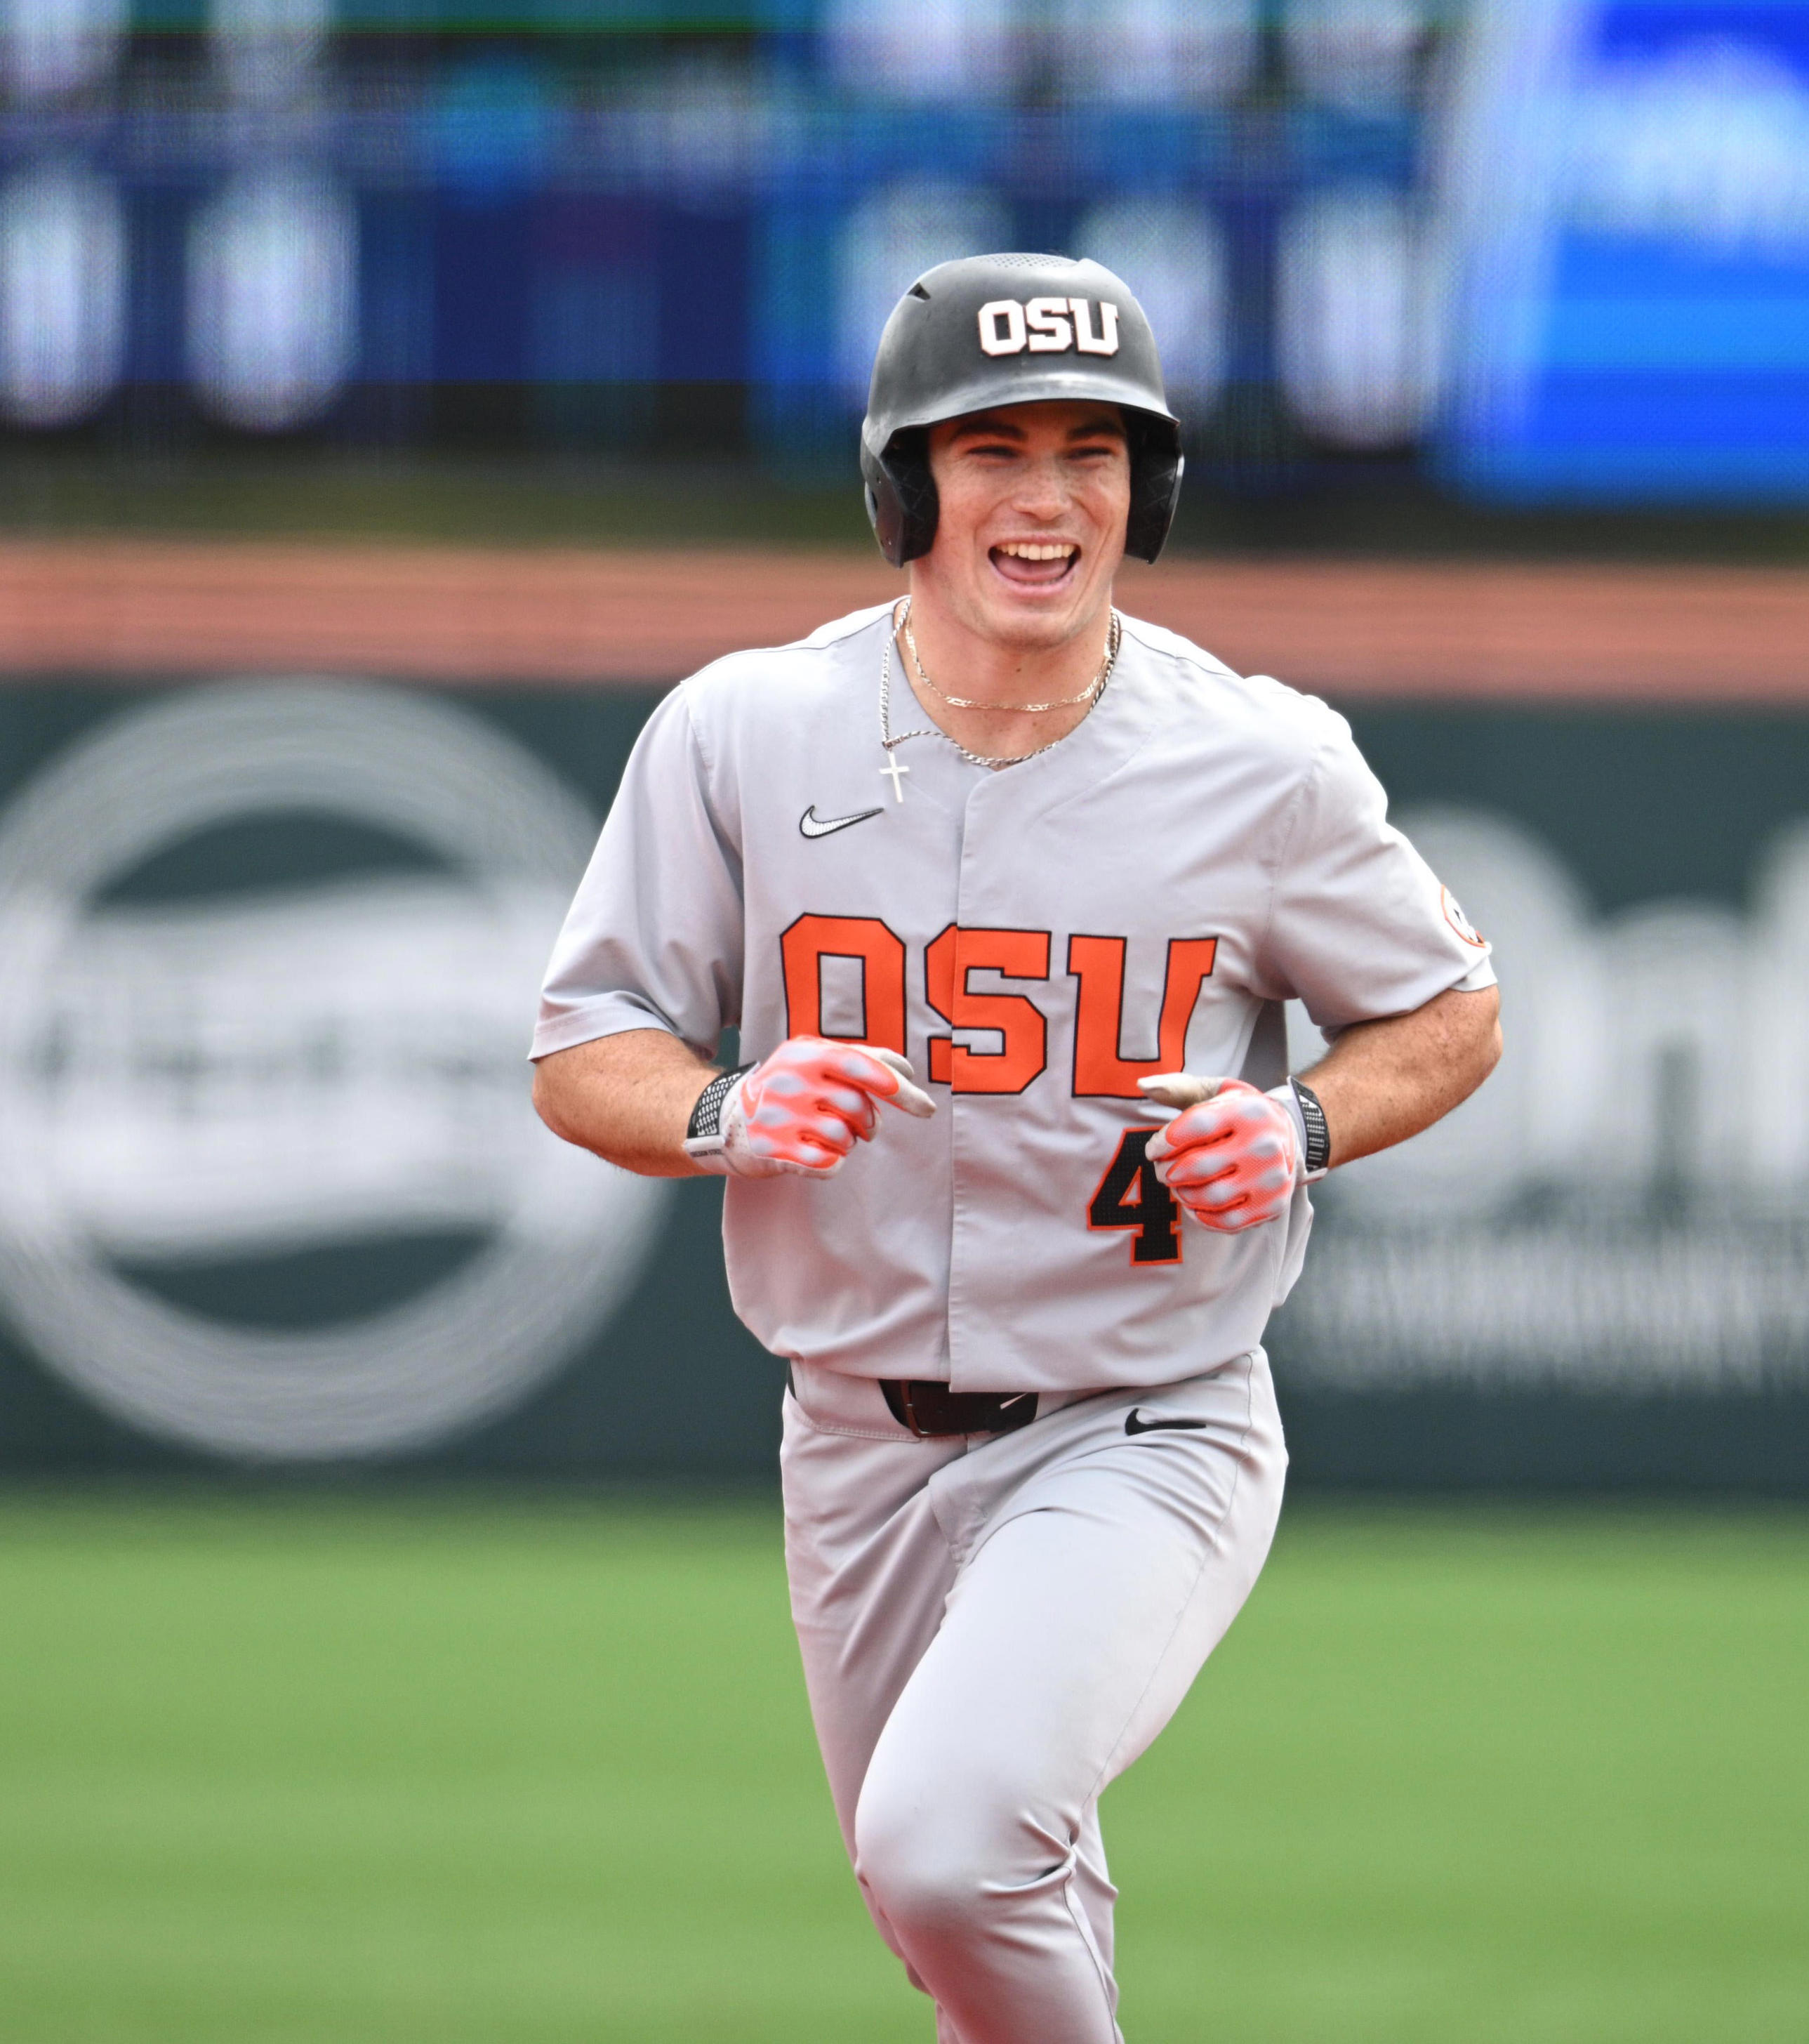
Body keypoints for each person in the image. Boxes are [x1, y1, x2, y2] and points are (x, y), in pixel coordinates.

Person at [528, 252, 1501, 2044]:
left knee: (952, 1847)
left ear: (1150, 491)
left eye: (1091, 452)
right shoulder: (747, 728)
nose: (1046, 499)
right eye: (992, 449)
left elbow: (1447, 1012)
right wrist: (724, 1110)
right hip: (851, 1435)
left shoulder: (1261, 758)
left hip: (1142, 1415)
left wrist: (1298, 1123)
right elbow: (586, 1046)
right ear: (903, 486)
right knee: (956, 1922)